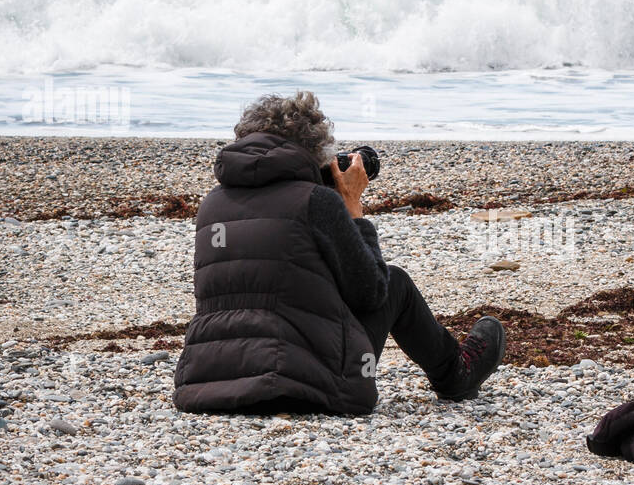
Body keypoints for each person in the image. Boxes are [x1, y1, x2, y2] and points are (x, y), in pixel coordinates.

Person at [173, 91, 504, 414]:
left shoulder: (212, 205)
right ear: (314, 148)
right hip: (313, 386)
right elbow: (371, 293)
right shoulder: (317, 202)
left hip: (206, 381)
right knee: (395, 282)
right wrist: (351, 205)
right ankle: (456, 374)